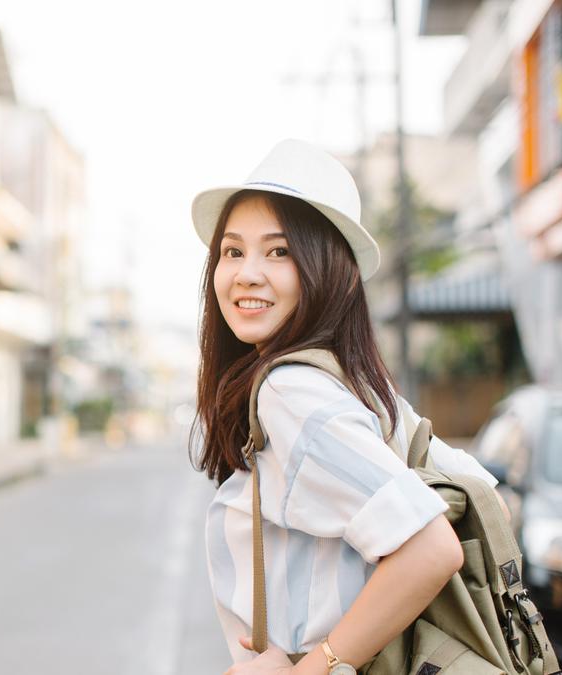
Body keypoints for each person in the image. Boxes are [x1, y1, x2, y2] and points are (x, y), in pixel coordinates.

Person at [188, 139, 500, 675]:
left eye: (280, 251)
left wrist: (314, 665)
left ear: (331, 269)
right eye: (233, 251)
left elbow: (432, 547)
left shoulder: (291, 393)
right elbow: (488, 498)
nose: (245, 273)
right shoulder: (360, 388)